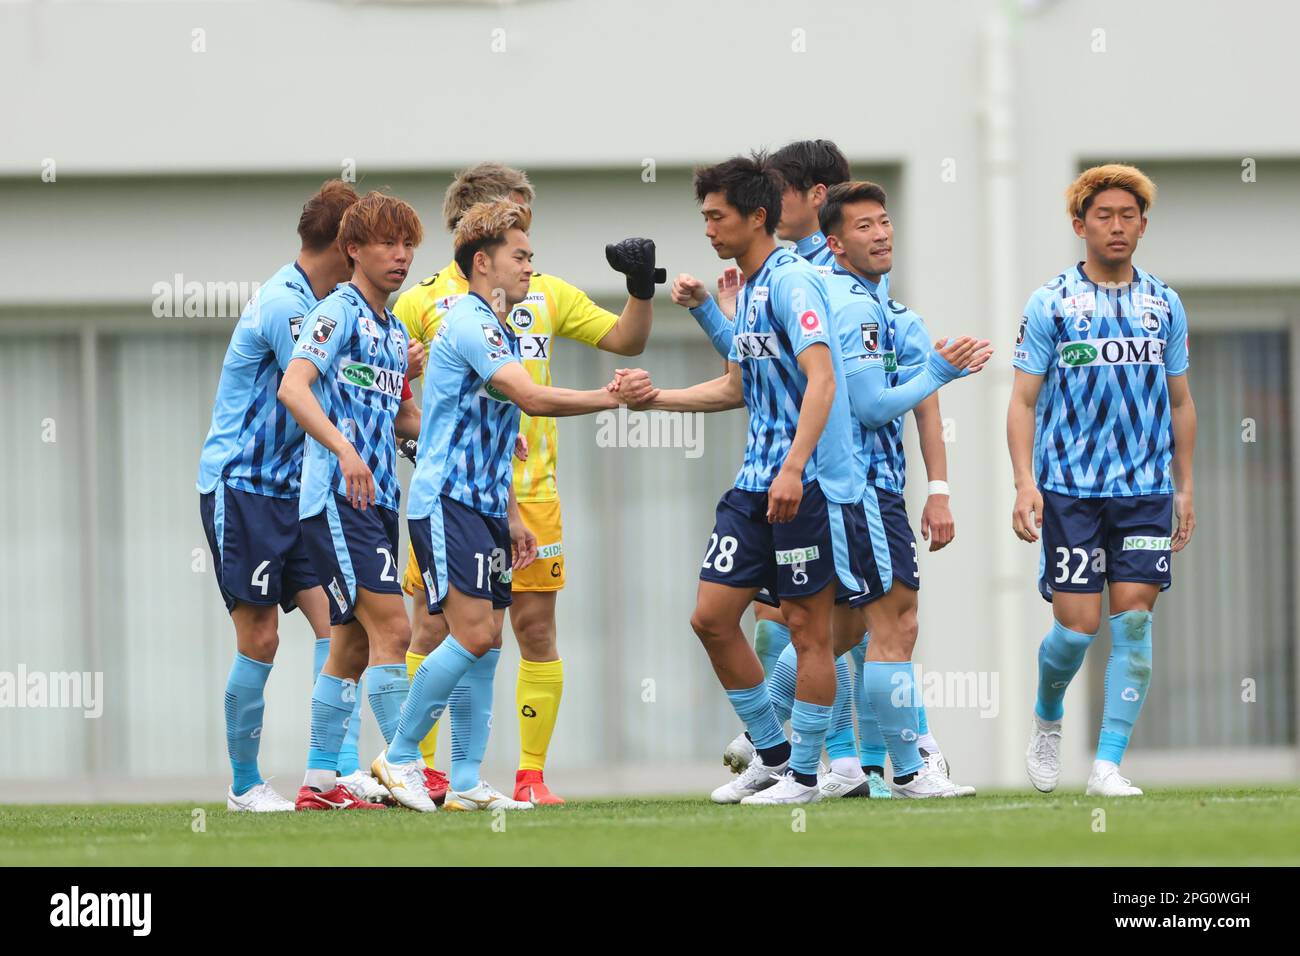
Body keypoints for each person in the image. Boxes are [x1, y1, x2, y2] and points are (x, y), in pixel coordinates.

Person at [389, 163, 662, 805]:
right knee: (457, 634)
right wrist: (609, 399)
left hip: (500, 496)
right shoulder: (447, 308)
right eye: (519, 239)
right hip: (448, 495)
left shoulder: (526, 300)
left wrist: (643, 287)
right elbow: (525, 396)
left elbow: (618, 341)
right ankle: (406, 761)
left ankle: (474, 778)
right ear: (480, 241)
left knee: (502, 640)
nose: (531, 256)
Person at [614, 153, 869, 806]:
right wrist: (658, 398)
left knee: (810, 632)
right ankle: (775, 757)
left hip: (802, 486)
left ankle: (808, 779)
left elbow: (824, 379)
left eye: (716, 216)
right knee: (711, 617)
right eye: (704, 216)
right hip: (753, 488)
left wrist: (792, 468)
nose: (707, 228)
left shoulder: (793, 282)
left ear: (758, 217)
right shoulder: (750, 289)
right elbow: (737, 387)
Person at [1010, 164, 1196, 797]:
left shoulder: (1163, 303)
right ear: (1079, 224)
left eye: (1128, 216)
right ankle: (1047, 717)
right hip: (1069, 488)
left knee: (1135, 623)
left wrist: (1185, 487)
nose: (1116, 227)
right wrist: (1023, 482)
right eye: (1103, 216)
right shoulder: (1052, 302)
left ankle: (1107, 766)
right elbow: (1023, 402)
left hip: (1145, 491)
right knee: (1076, 629)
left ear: (1143, 224)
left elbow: (1180, 403)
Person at [197, 180, 359, 812]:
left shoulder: (331, 302)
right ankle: (243, 784)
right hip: (243, 488)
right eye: (370, 240)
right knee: (261, 637)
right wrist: (398, 366)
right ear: (348, 246)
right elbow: (321, 383)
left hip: (295, 493)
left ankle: (334, 775)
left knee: (341, 626)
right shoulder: (285, 304)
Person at [277, 191, 425, 810]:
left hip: (377, 502)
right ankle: (404, 765)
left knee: (352, 643)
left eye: (408, 243)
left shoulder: (393, 332)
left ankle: (317, 783)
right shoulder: (335, 312)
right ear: (352, 250)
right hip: (336, 498)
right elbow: (294, 387)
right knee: (395, 626)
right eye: (388, 243)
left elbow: (406, 420)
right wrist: (344, 450)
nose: (401, 255)